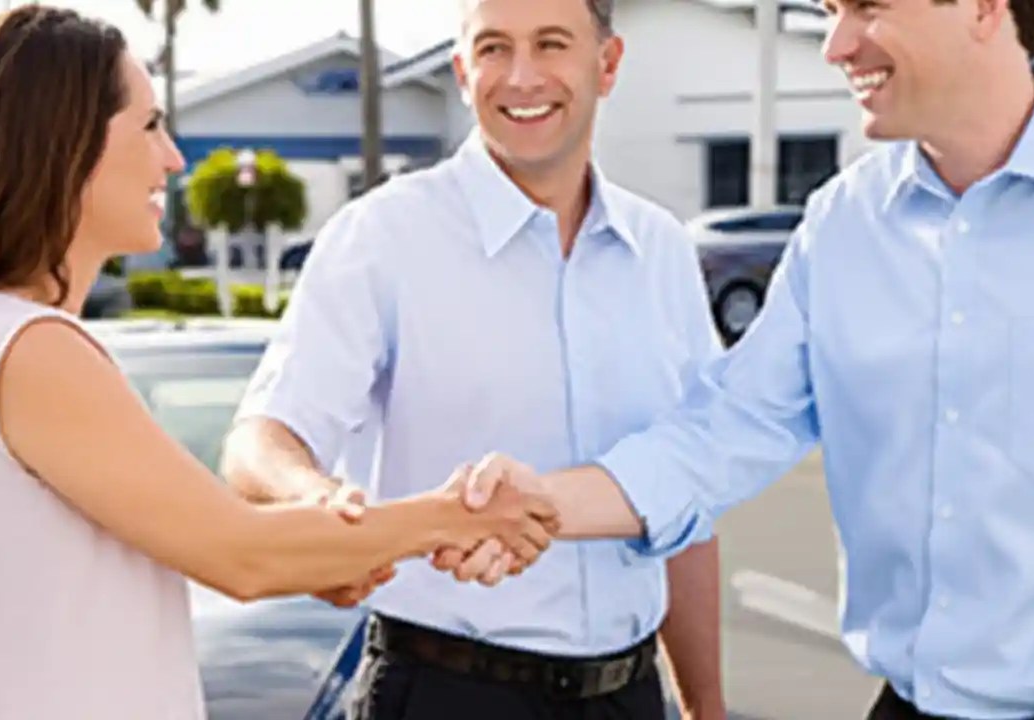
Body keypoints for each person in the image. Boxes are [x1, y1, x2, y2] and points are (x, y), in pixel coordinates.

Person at [0, 7, 558, 720]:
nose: (173, 159)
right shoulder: (27, 348)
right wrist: (457, 516)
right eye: (149, 126)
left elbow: (214, 543)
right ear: (63, 144)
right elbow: (241, 554)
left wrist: (324, 550)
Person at [441, 0, 1034, 718]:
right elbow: (725, 431)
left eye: (867, 8)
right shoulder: (845, 223)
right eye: (831, 11)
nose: (836, 45)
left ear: (982, 8)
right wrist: (540, 503)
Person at [220, 0, 728, 717]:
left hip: (629, 696)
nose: (521, 78)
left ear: (607, 64)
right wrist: (318, 501)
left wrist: (706, 707)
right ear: (462, 72)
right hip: (444, 692)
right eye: (493, 49)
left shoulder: (662, 251)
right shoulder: (382, 236)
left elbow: (687, 503)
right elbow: (260, 441)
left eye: (551, 44)